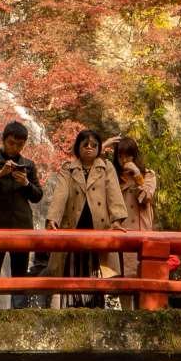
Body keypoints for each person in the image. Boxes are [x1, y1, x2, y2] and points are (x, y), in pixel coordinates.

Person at [45, 128, 128, 305]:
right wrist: (53, 218)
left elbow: (114, 194)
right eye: (85, 144)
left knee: (98, 271)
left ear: (99, 148)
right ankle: (72, 307)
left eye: (94, 145)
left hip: (99, 228)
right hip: (73, 227)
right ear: (78, 147)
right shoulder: (68, 169)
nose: (89, 147)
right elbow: (60, 194)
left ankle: (96, 306)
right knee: (71, 270)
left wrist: (117, 220)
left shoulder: (106, 167)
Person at [0, 120, 44, 308]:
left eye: (20, 145)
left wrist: (26, 183)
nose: (15, 148)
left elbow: (38, 196)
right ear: (4, 140)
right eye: (11, 143)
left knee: (19, 271)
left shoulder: (28, 165)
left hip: (21, 226)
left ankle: (19, 310)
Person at [108, 137, 158, 278]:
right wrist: (104, 145)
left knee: (142, 277)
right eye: (120, 156)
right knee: (120, 279)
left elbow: (146, 197)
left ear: (134, 156)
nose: (124, 160)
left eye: (128, 156)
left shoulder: (148, 175)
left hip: (141, 232)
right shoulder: (112, 177)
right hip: (119, 232)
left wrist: (137, 174)